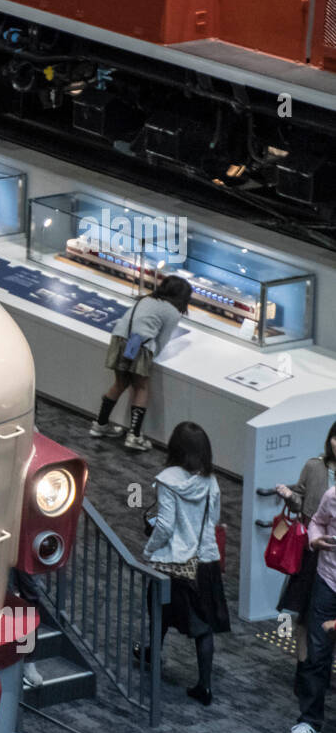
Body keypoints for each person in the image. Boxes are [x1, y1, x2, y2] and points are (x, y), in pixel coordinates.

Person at [139, 421, 229, 706]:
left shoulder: (168, 480)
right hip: (205, 562)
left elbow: (164, 526)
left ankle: (152, 656)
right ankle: (204, 686)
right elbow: (213, 520)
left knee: (159, 610)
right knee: (203, 628)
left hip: (173, 562)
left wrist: (148, 549)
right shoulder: (211, 481)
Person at [90, 275, 192, 452]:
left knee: (120, 383)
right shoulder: (173, 312)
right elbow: (162, 340)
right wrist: (151, 355)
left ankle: (99, 425)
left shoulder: (146, 299)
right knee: (141, 387)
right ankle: (134, 436)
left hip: (119, 339)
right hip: (142, 347)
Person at [274, 419, 336, 693]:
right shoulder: (315, 466)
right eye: (335, 437)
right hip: (313, 552)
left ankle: (322, 671)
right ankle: (304, 672)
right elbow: (302, 500)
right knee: (304, 616)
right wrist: (289, 495)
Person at [288, 484, 336, 733]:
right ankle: (310, 722)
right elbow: (317, 522)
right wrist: (315, 539)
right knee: (317, 653)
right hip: (327, 581)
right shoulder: (332, 496)